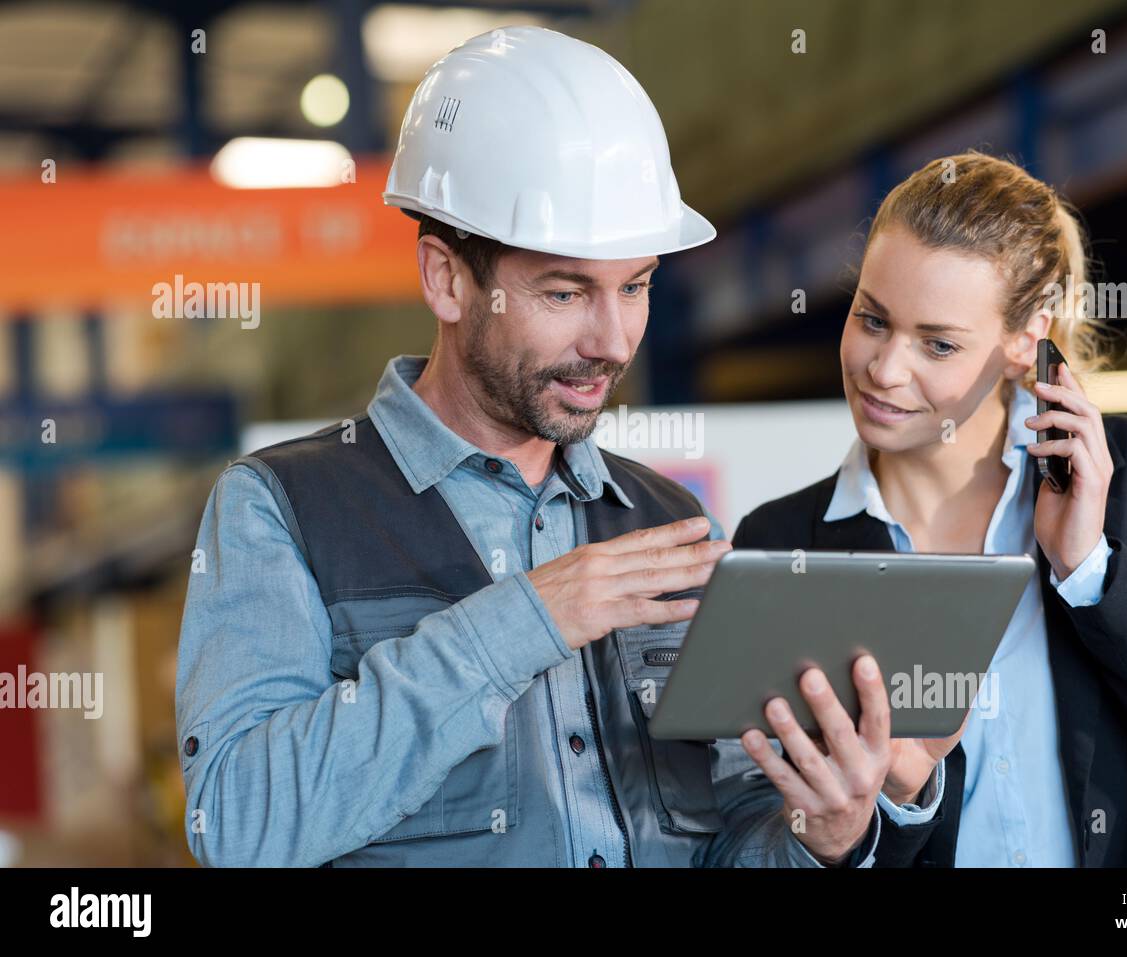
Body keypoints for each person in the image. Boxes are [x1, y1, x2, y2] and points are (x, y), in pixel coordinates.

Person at [174, 25, 932, 868]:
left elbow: (730, 825)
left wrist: (821, 836)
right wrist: (527, 620)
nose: (613, 340)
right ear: (447, 278)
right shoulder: (282, 509)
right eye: (567, 290)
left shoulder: (666, 520)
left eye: (636, 286)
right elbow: (237, 824)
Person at [731, 151, 1127, 866]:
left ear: (1027, 337)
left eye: (937, 343)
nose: (885, 368)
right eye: (872, 319)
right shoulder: (781, 542)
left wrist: (1091, 569)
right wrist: (895, 803)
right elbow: (768, 837)